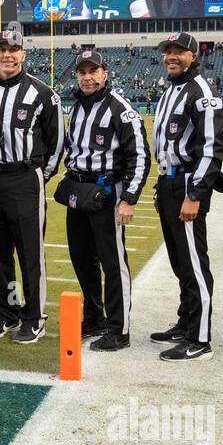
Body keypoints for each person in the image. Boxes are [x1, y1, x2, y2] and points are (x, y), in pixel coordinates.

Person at [0, 23, 65, 345]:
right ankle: (7, 314)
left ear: (23, 53)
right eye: (2, 50)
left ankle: (34, 316)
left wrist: (39, 176)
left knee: (30, 252)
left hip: (25, 178)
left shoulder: (42, 93)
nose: (7, 55)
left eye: (13, 50)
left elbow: (56, 142)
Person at [60, 49, 149, 352]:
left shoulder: (119, 108)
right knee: (82, 259)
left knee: (113, 262)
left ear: (104, 74)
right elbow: (74, 148)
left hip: (108, 193)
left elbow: (140, 157)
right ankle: (94, 317)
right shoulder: (77, 107)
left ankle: (118, 328)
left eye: (93, 71)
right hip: (79, 192)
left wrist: (129, 199)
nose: (87, 77)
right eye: (82, 72)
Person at [149, 31, 223, 362]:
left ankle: (200, 338)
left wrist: (195, 193)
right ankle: (185, 321)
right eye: (168, 51)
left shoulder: (201, 92)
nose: (172, 56)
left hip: (186, 184)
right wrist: (158, 185)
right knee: (181, 262)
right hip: (169, 182)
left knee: (194, 263)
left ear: (194, 56)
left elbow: (211, 149)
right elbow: (166, 144)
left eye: (179, 51)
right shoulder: (170, 90)